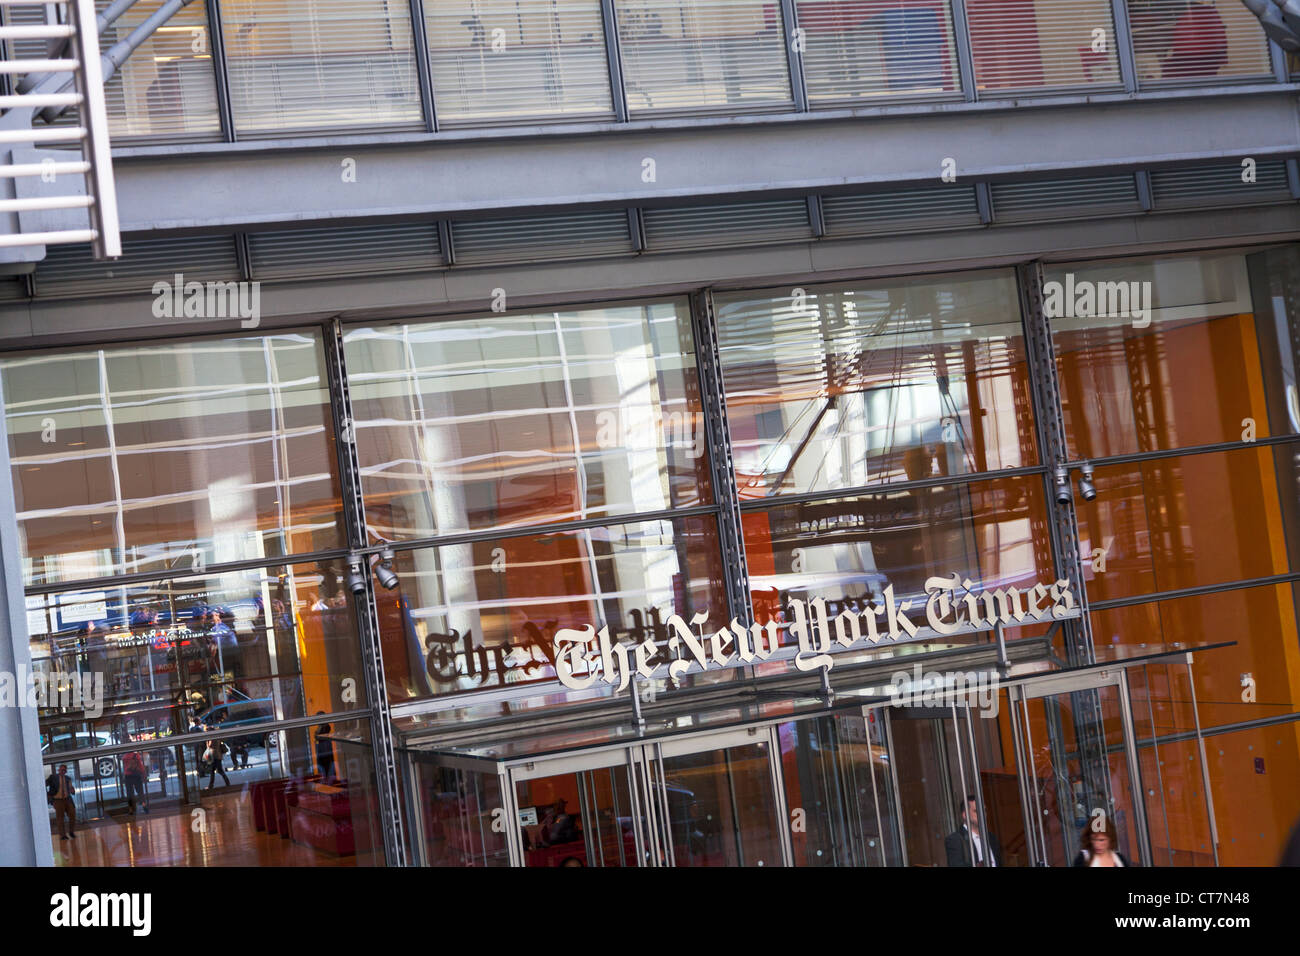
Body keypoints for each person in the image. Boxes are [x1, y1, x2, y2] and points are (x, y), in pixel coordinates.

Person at [945, 795, 1000, 866]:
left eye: (984, 810)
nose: (982, 814)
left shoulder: (991, 837)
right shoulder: (954, 840)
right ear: (965, 815)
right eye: (976, 811)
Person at [46, 764, 76, 840]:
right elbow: (44, 784)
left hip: (67, 799)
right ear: (58, 770)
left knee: (72, 814)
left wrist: (72, 790)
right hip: (57, 800)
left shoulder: (68, 778)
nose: (62, 771)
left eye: (64, 770)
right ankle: (62, 835)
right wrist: (48, 794)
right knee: (60, 817)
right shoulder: (53, 777)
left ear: (66, 771)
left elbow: (71, 788)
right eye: (61, 770)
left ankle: (71, 832)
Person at [122, 750, 148, 814]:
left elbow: (125, 768)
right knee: (140, 792)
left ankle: (131, 809)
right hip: (136, 775)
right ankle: (144, 807)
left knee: (130, 793)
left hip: (128, 776)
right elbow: (140, 765)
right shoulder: (136, 756)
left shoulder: (124, 757)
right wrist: (144, 773)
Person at [314, 715, 334, 782]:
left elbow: (318, 736)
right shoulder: (319, 727)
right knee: (323, 769)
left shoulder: (326, 727)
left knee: (327, 768)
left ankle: (327, 780)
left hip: (325, 750)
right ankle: (325, 780)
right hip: (321, 751)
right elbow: (317, 737)